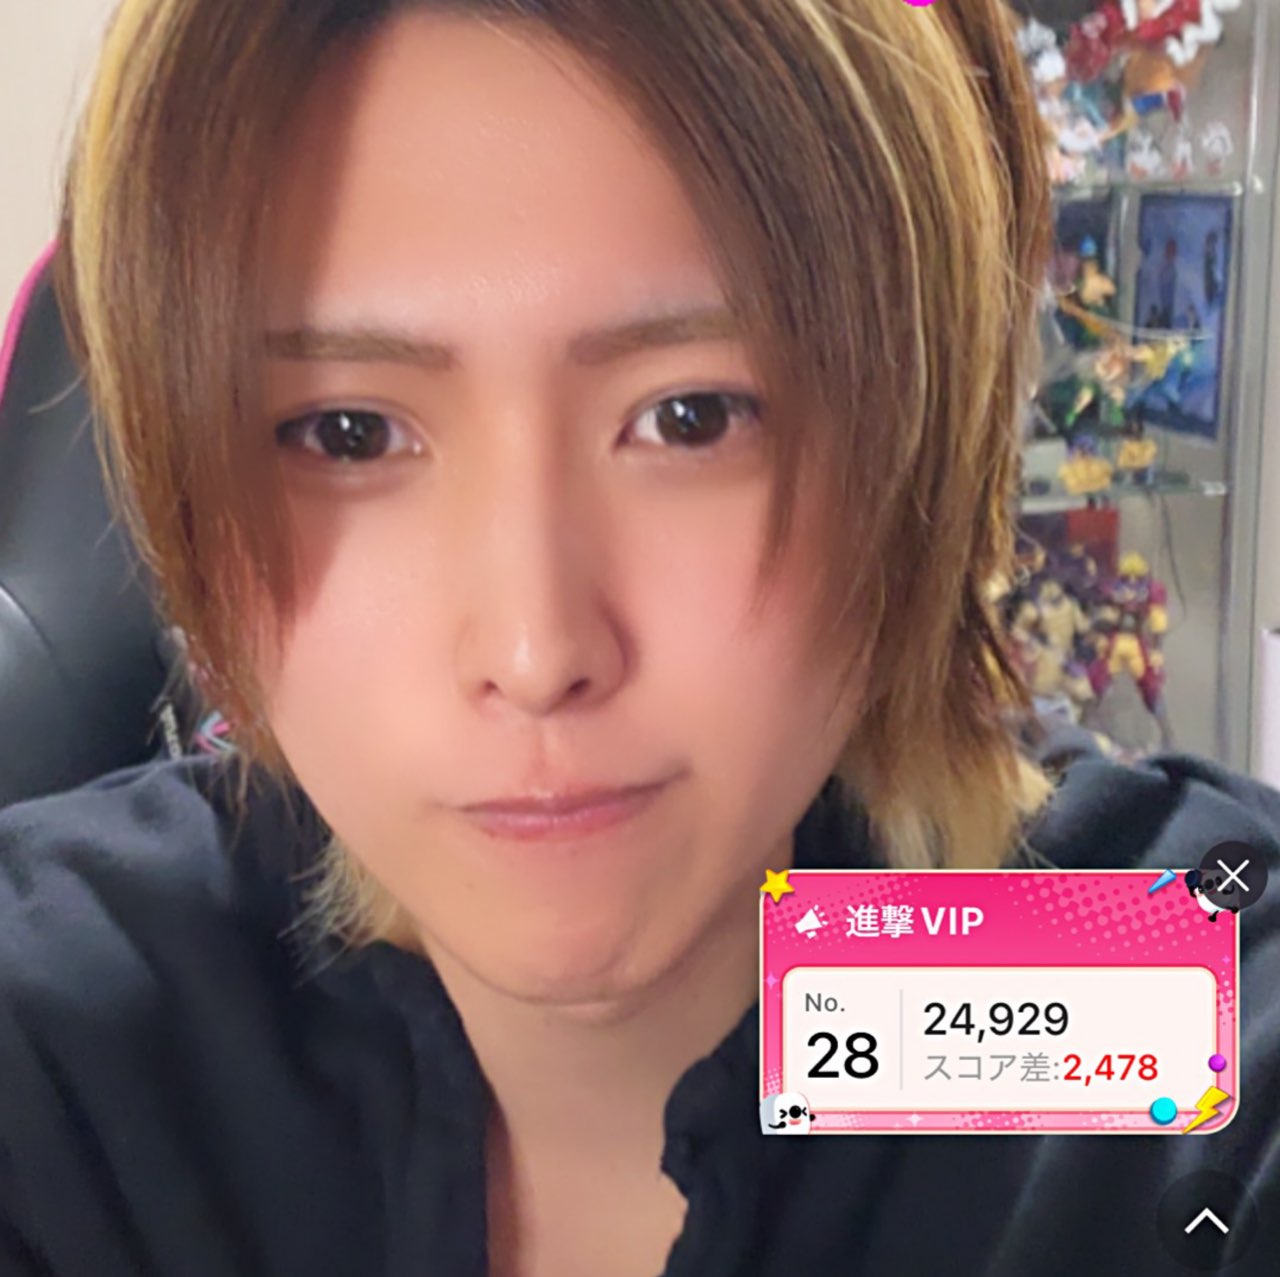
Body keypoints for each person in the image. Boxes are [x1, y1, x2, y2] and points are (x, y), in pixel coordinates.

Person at [2, 2, 1278, 1274]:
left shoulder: (1152, 1005)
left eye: (690, 417)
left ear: (914, 452)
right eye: (347, 433)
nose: (534, 648)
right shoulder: (67, 1059)